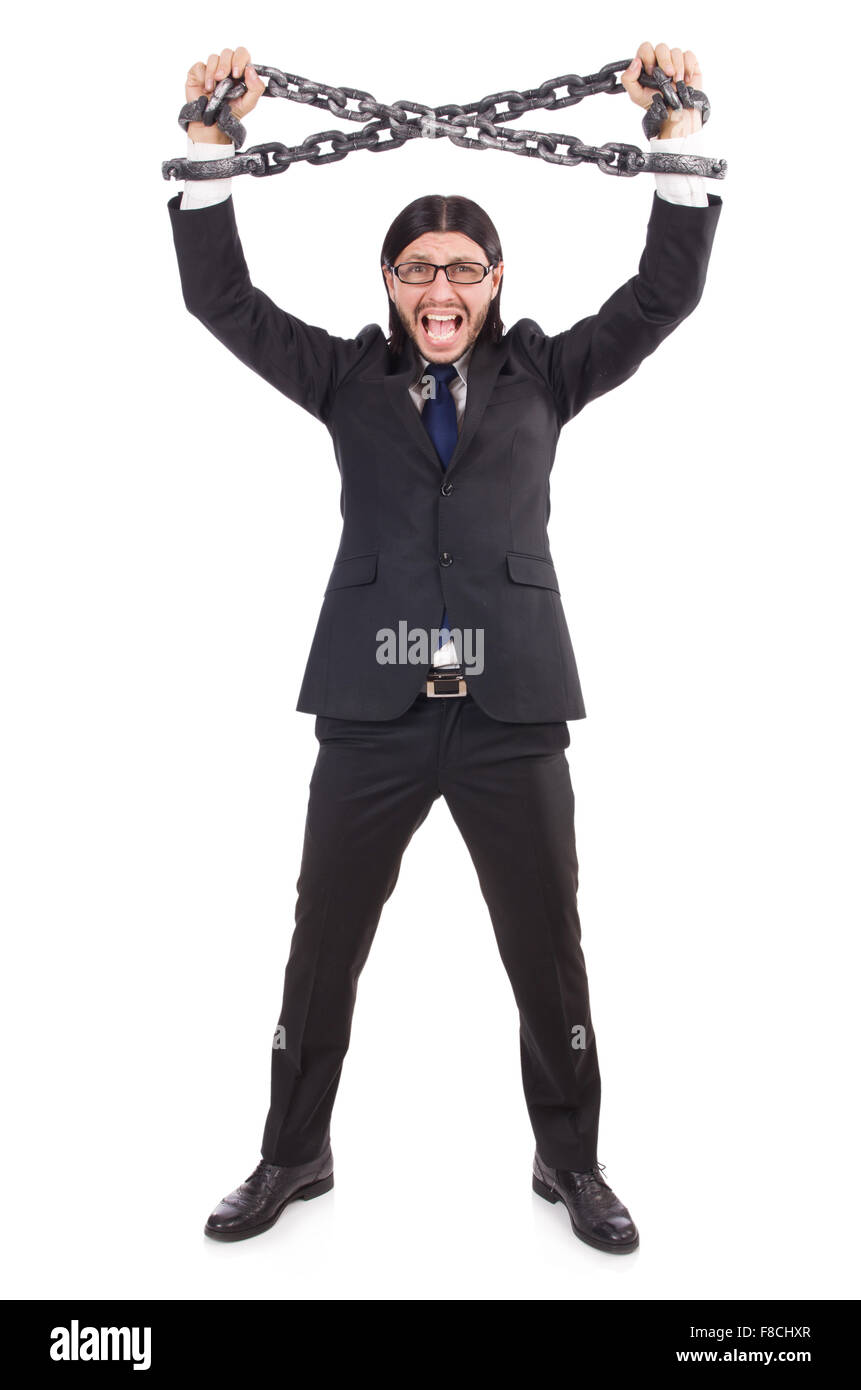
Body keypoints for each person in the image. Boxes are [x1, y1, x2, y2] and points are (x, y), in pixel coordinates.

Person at [167, 41, 722, 1253]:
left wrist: (672, 141)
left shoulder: (549, 375)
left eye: (462, 272)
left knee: (547, 950)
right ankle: (292, 1151)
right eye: (418, 271)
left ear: (494, 279)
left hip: (512, 706)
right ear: (389, 280)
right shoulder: (342, 380)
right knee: (323, 945)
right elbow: (222, 304)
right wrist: (212, 156)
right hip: (371, 711)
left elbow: (661, 299)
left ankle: (570, 1158)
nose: (440, 291)